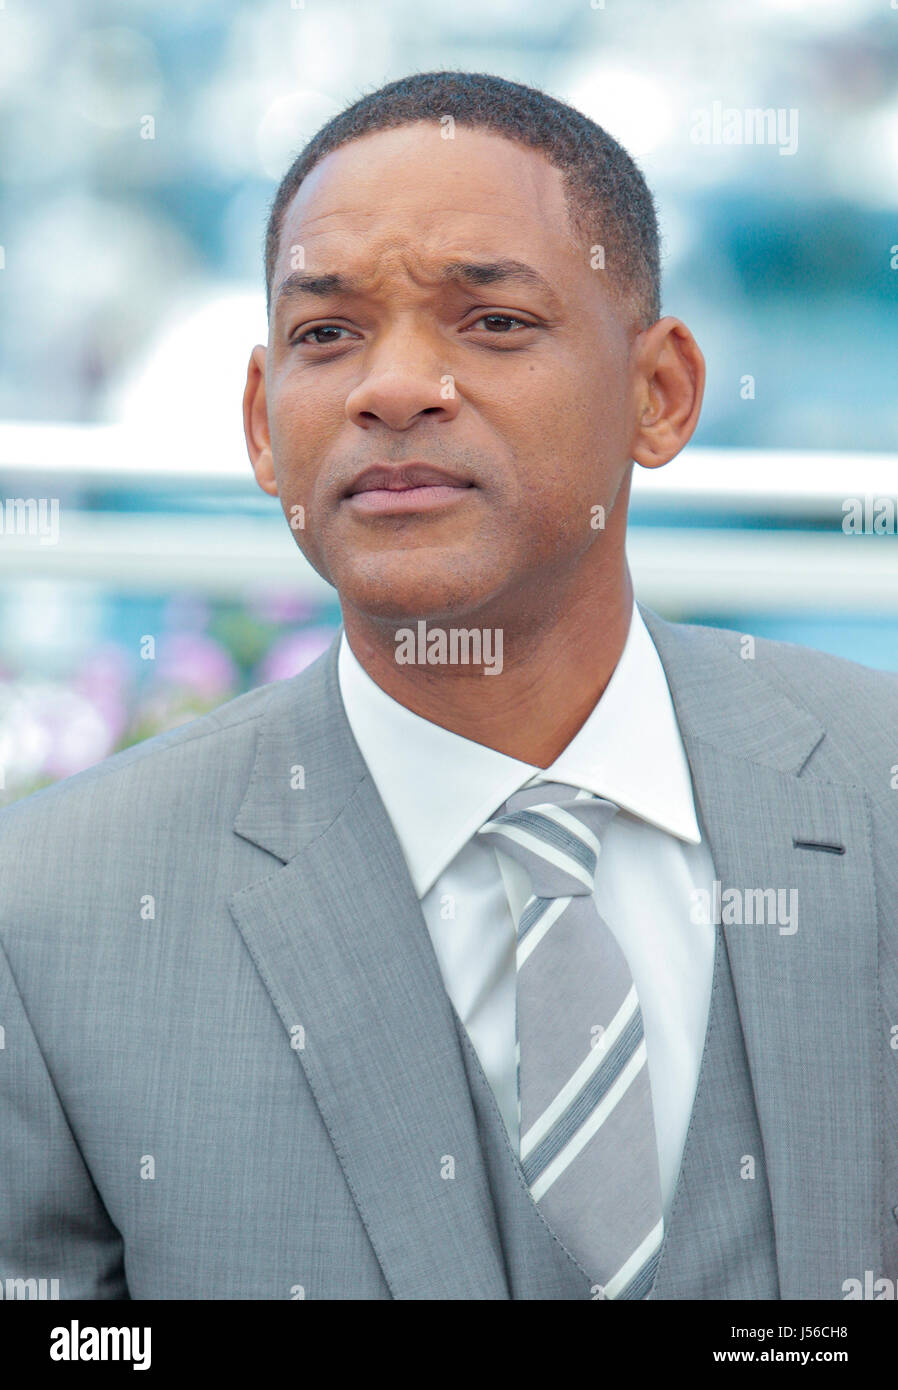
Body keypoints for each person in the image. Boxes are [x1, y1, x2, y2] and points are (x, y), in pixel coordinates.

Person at [2, 71, 896, 1301]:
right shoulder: (52, 919)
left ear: (662, 393)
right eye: (327, 334)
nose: (394, 386)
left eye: (492, 321)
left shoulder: (876, 795)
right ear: (264, 426)